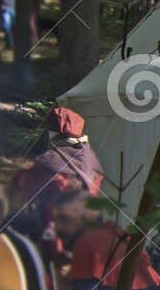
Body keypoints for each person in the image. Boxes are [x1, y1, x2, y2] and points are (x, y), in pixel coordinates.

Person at [10, 107, 105, 266]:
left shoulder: (49, 163)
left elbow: (23, 185)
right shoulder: (91, 159)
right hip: (89, 236)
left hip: (55, 237)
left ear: (52, 133)